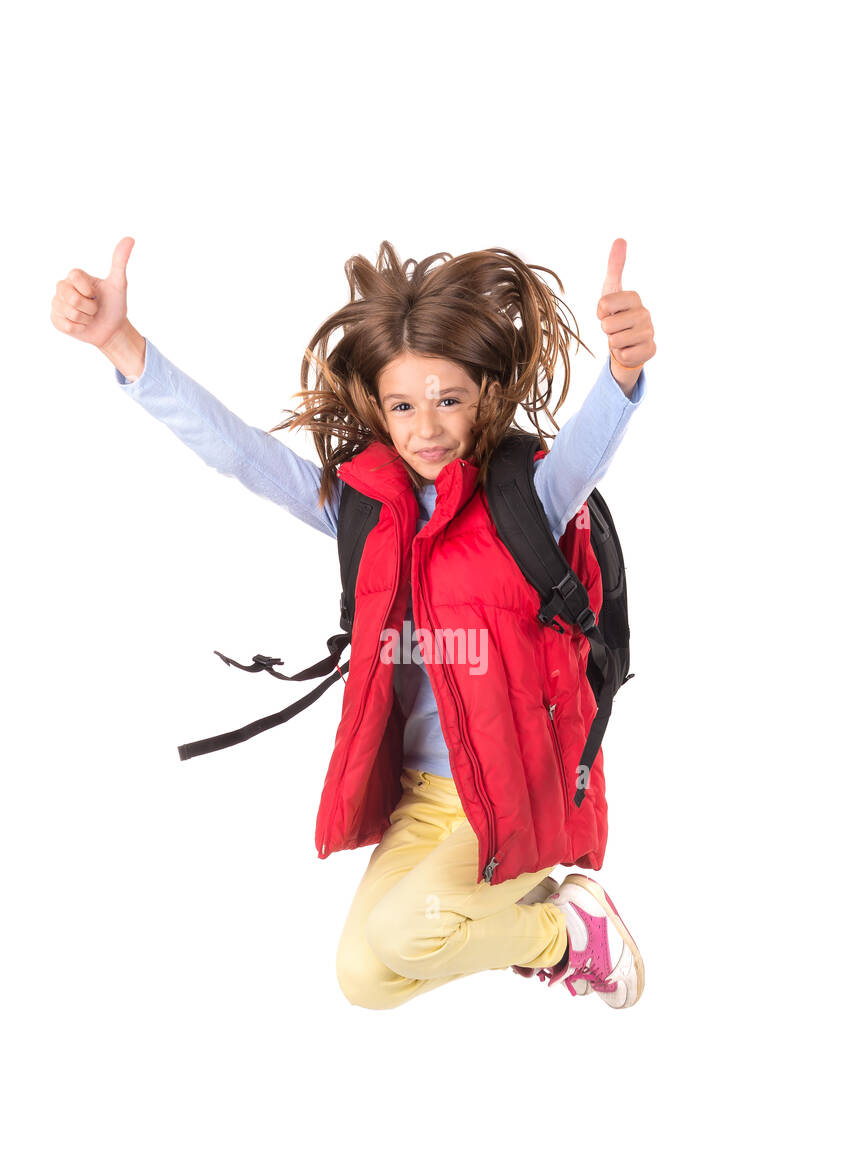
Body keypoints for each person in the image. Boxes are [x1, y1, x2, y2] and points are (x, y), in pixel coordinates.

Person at [49, 236, 656, 1011]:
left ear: (484, 396)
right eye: (403, 405)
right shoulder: (367, 513)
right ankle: (546, 927)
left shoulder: (529, 502)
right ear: (377, 407)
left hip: (511, 788)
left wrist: (624, 370)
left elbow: (590, 451)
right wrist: (122, 345)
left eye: (448, 400)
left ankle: (568, 935)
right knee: (365, 979)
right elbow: (242, 456)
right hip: (423, 794)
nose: (425, 427)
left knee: (408, 934)